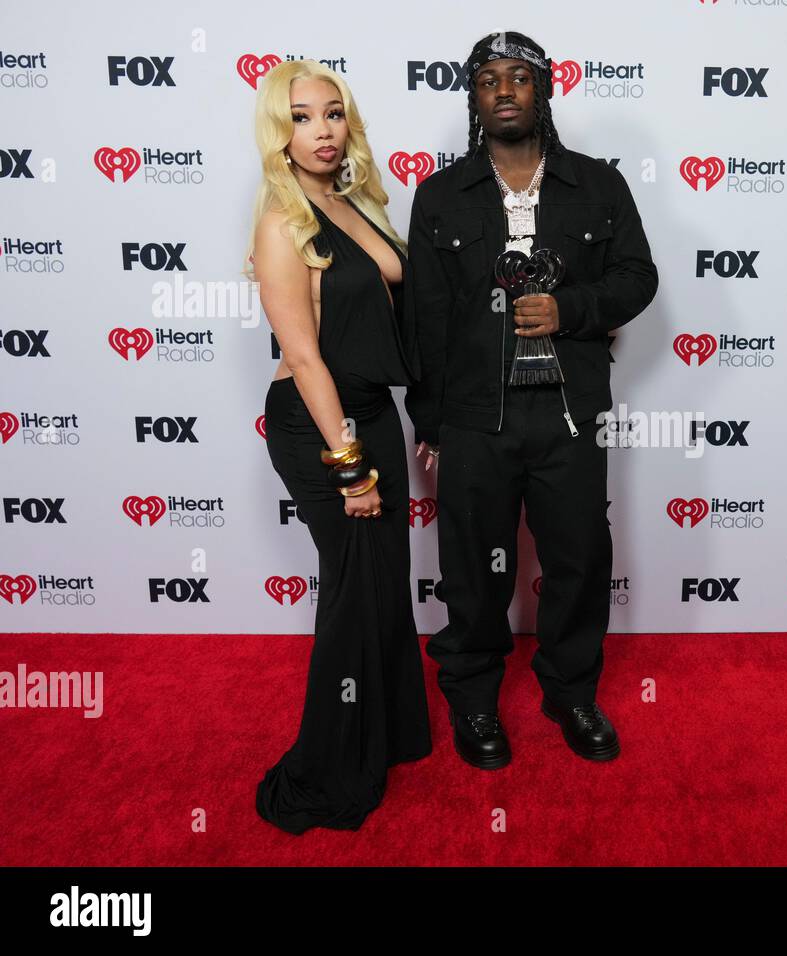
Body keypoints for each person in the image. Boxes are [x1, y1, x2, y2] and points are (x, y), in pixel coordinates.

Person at [404, 31, 657, 769]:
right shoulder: (441, 195)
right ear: (474, 98)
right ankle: (475, 699)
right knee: (474, 570)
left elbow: (638, 277)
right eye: (489, 80)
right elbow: (425, 317)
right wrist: (432, 422)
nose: (506, 91)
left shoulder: (597, 186)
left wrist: (569, 308)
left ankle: (572, 692)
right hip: (478, 417)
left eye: (520, 77)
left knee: (578, 558)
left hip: (568, 415)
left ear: (543, 90)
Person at [249, 60, 431, 832]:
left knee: (385, 582)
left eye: (333, 113)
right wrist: (350, 467)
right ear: (277, 131)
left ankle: (382, 735)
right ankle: (329, 766)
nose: (321, 131)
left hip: (375, 414)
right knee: (354, 590)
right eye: (302, 117)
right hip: (322, 427)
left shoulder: (354, 199)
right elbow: (306, 358)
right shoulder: (280, 222)